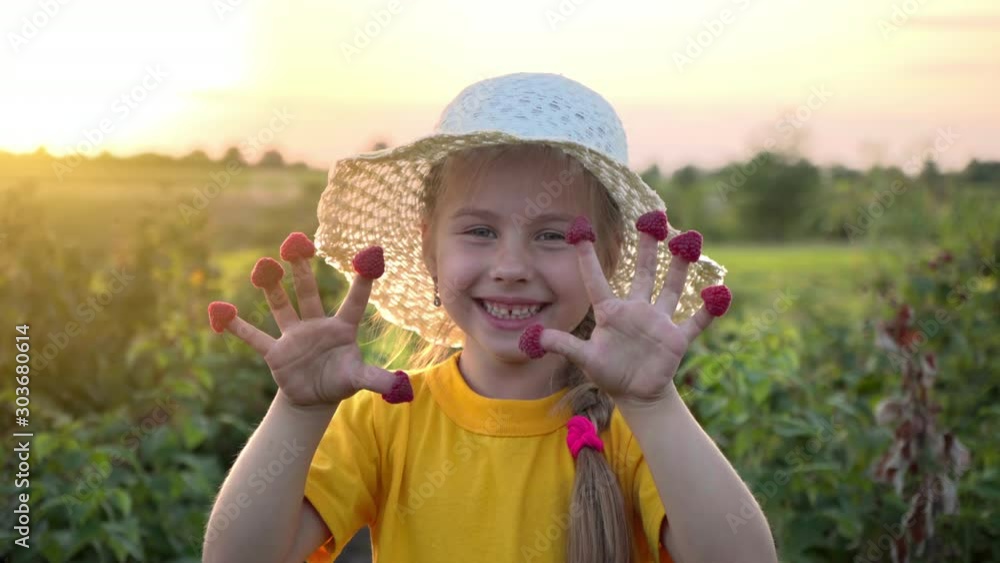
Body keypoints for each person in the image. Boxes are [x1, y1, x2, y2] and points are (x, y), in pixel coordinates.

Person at [202, 72, 778, 563]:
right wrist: (298, 411)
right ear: (430, 251)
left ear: (604, 260)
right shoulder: (384, 421)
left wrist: (655, 405)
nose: (510, 266)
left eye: (553, 235)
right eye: (480, 231)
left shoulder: (634, 430)